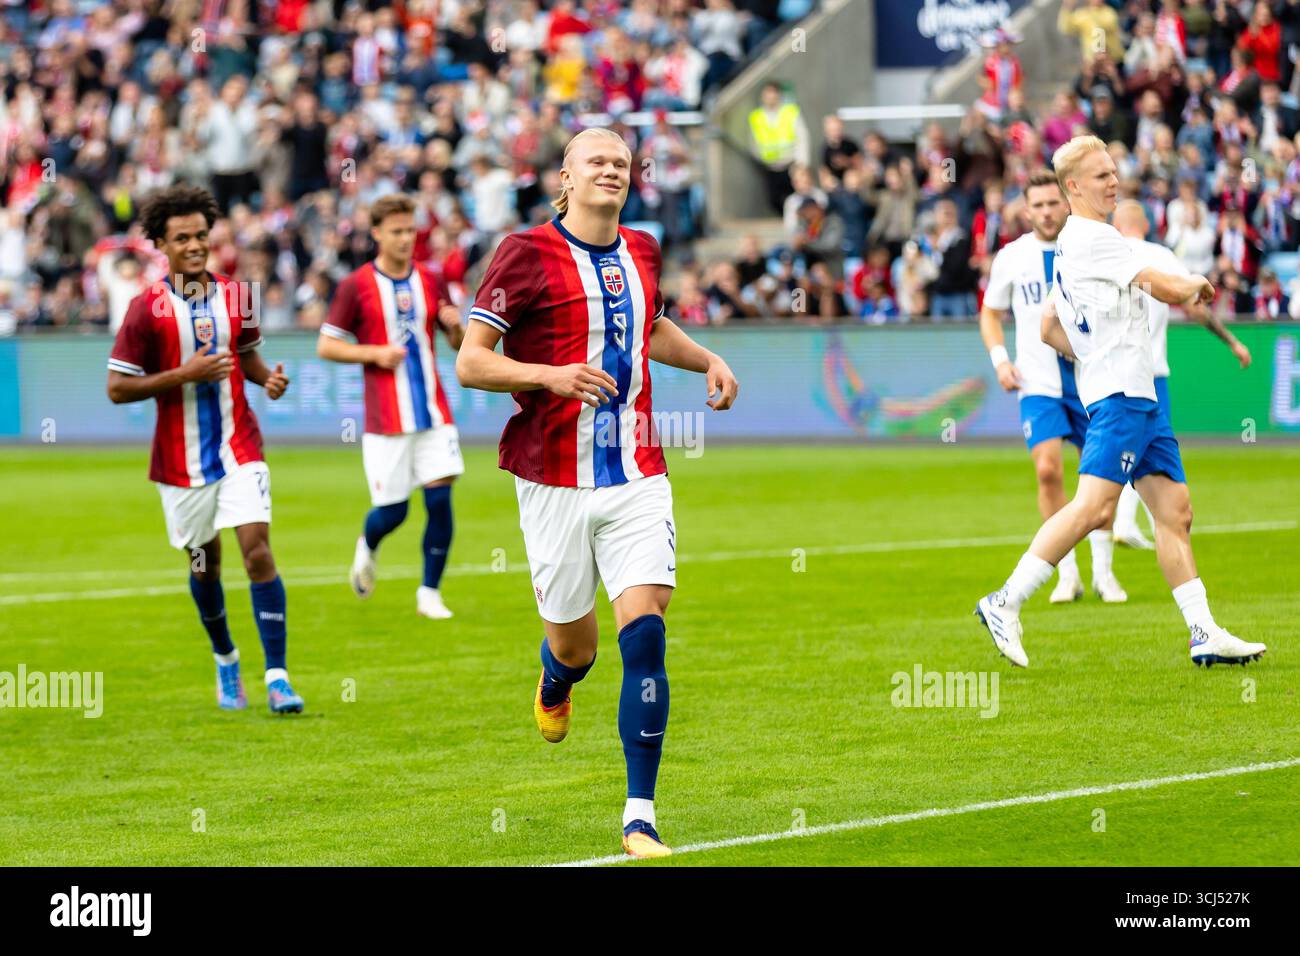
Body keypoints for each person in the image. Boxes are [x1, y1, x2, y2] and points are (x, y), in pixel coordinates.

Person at [455, 128, 739, 858]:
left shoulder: (643, 248)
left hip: (638, 472)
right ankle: (557, 679)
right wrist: (549, 376)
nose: (611, 171)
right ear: (567, 177)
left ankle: (639, 815)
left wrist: (706, 357)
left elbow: (651, 328)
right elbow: (471, 363)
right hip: (552, 479)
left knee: (644, 632)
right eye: (596, 162)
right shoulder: (523, 253)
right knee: (576, 648)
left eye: (620, 162)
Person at [975, 136, 1266, 669]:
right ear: (1073, 187)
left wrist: (1089, 355)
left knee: (1175, 512)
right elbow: (1158, 283)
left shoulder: (1070, 244)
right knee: (1094, 508)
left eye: (1114, 171)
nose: (1114, 181)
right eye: (1102, 174)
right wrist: (1192, 283)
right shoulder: (1094, 238)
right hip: (1122, 399)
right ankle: (1005, 600)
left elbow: (1047, 327)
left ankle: (1202, 631)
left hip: (1137, 396)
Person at [105, 185, 303, 712]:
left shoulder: (238, 295)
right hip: (180, 462)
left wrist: (269, 381)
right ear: (161, 245)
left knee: (257, 550)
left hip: (241, 444)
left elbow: (248, 359)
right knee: (203, 565)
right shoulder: (144, 310)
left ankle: (279, 677)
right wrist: (183, 374)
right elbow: (118, 387)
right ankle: (225, 658)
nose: (195, 245)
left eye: (201, 235)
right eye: (182, 238)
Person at [979, 169, 1128, 604]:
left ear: (1066, 203)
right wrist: (1000, 360)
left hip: (1090, 381)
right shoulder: (1011, 257)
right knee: (1047, 470)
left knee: (1099, 479)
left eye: (1052, 203)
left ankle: (1104, 573)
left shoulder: (1091, 247)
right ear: (1027, 210)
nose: (1046, 212)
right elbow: (990, 313)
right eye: (1037, 205)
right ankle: (1067, 573)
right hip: (1037, 381)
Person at [317, 194, 465, 620]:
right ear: (377, 233)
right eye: (396, 231)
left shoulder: (431, 279)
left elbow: (456, 343)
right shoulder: (356, 285)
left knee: (440, 501)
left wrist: (455, 328)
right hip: (386, 420)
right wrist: (373, 354)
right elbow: (326, 345)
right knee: (394, 511)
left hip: (433, 412)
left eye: (410, 230)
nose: (405, 238)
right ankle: (369, 544)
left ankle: (429, 593)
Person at [1109, 201, 1252, 550]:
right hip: (1149, 373)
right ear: (1144, 222)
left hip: (1105, 377)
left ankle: (1116, 536)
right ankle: (1132, 523)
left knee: (1123, 450)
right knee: (1153, 454)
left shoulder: (1105, 253)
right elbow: (1193, 304)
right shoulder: (1159, 255)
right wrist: (1232, 341)